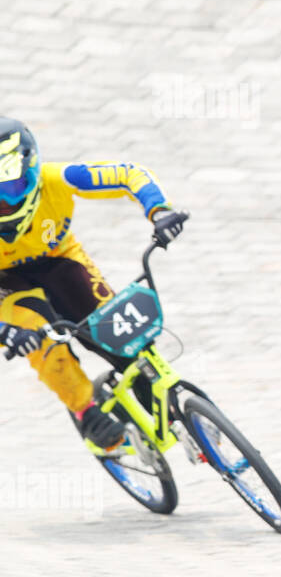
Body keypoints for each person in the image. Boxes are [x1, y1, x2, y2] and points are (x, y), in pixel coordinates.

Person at [0, 117, 187, 450]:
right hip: (7, 285)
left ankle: (171, 409)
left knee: (121, 335)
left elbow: (127, 174)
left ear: (32, 174)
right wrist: (6, 332)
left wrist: (158, 210)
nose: (4, 204)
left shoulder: (56, 179)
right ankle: (86, 409)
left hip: (58, 261)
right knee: (43, 343)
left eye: (9, 192)